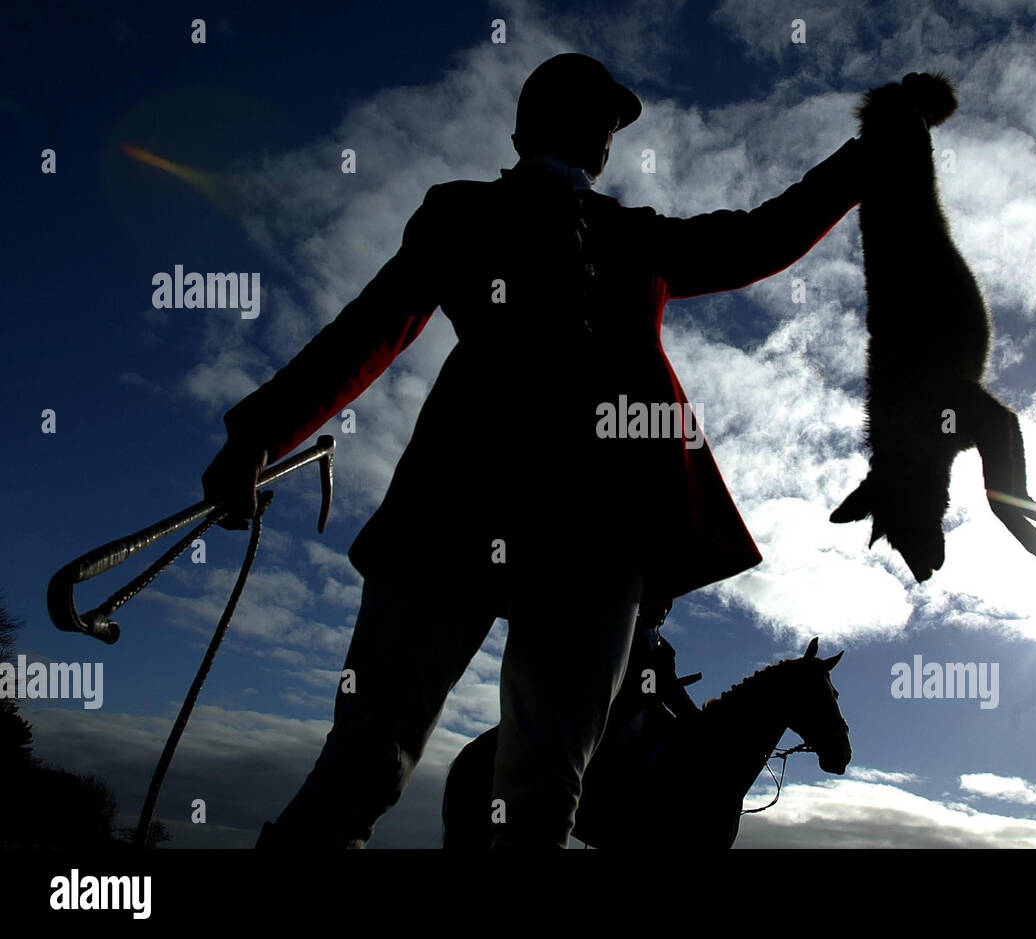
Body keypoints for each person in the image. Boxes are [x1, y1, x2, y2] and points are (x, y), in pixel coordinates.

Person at [201, 52, 864, 848]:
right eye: (591, 115)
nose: (603, 134)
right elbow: (372, 329)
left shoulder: (635, 235)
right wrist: (260, 433)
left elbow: (759, 237)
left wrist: (863, 160)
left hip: (591, 532)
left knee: (540, 794)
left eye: (608, 123)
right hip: (459, 508)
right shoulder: (463, 211)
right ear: (526, 130)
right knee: (371, 759)